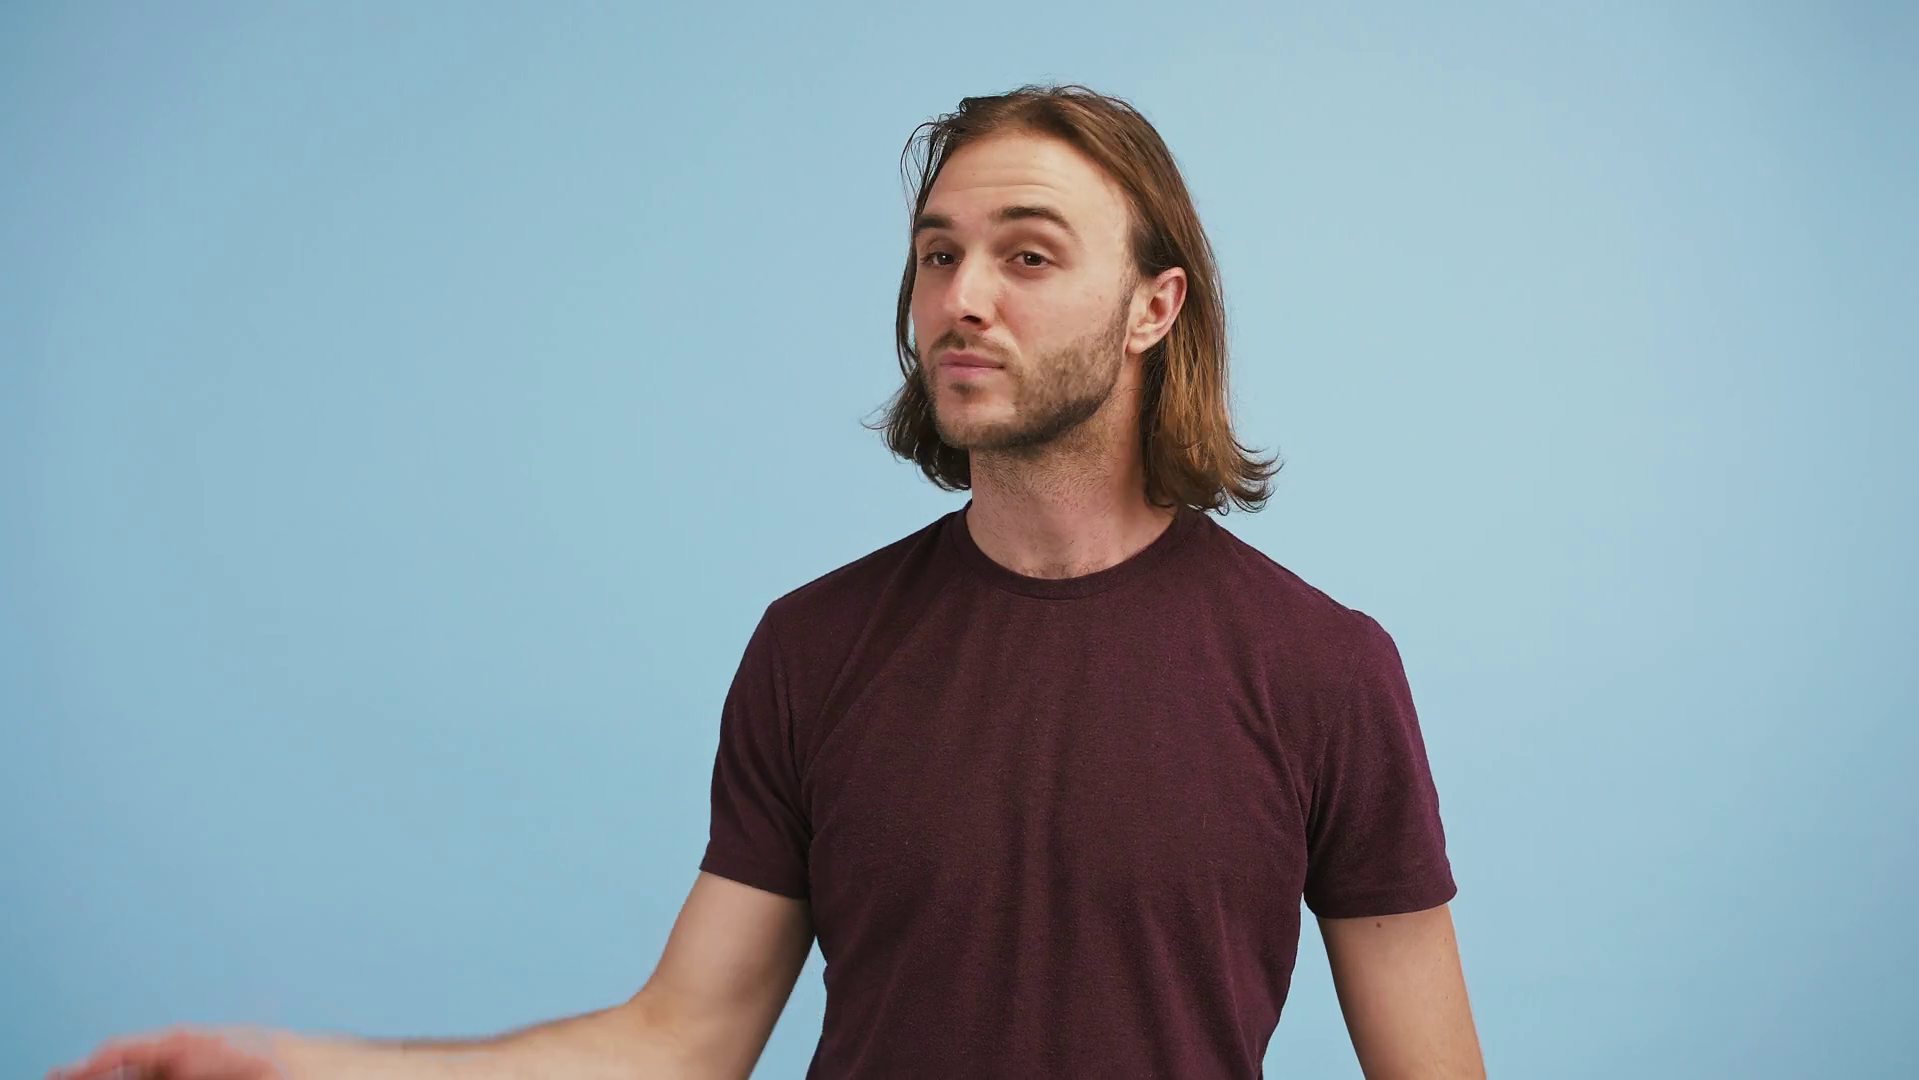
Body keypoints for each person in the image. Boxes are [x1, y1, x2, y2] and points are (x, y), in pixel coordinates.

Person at [51, 84, 1484, 1080]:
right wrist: (306, 1067)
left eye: (1028, 256)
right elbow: (679, 1043)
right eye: (939, 256)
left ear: (1151, 310)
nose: (961, 298)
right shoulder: (818, 647)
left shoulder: (1323, 671)